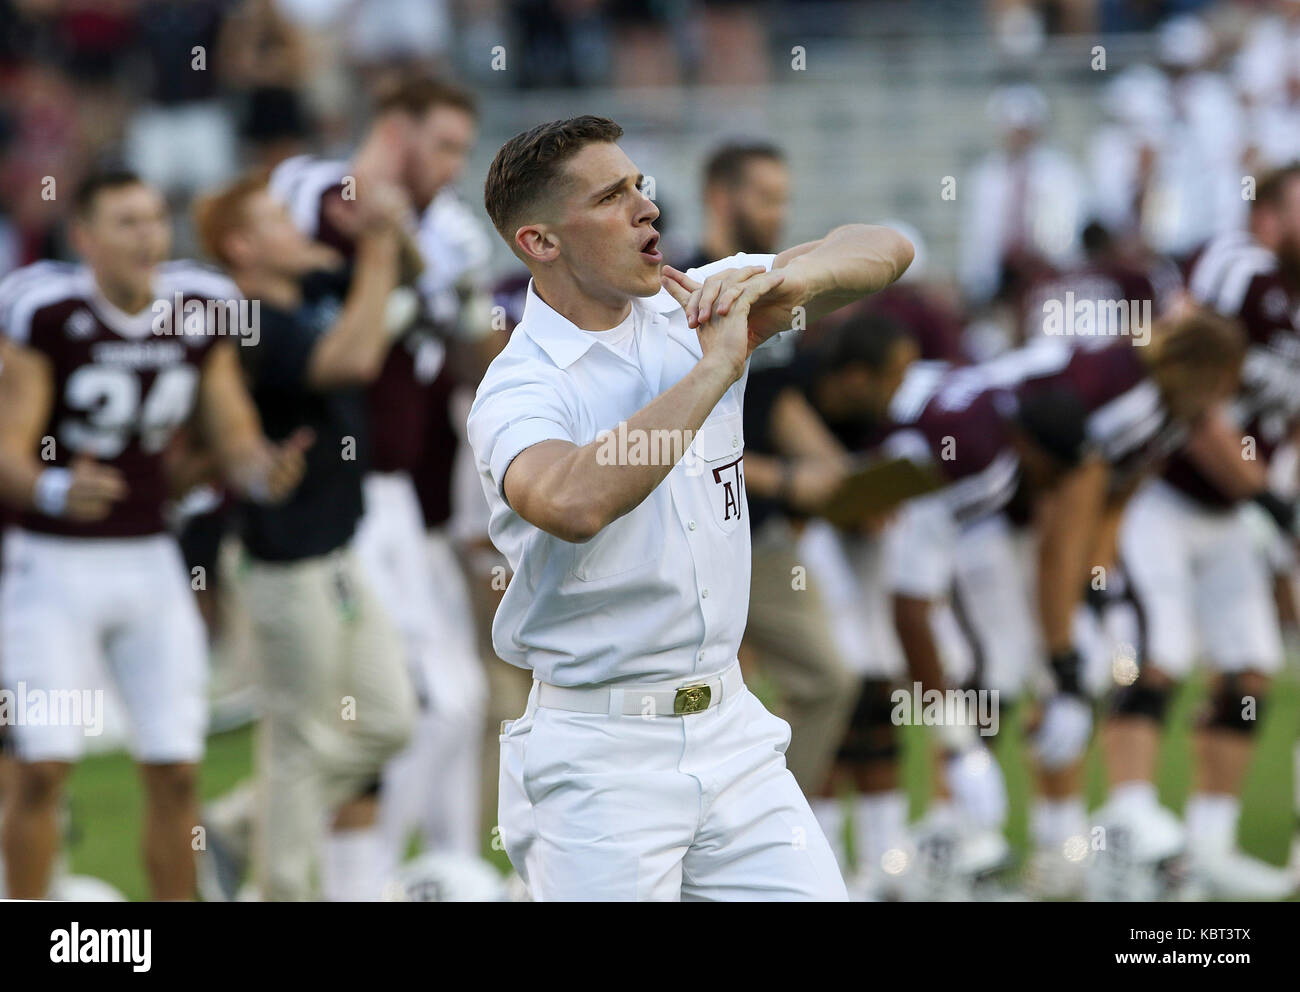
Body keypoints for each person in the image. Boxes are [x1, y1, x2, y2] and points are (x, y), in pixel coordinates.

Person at [467, 115, 914, 900]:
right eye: (612, 197)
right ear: (540, 242)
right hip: (599, 759)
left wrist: (791, 283)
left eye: (640, 185)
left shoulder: (693, 303)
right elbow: (571, 500)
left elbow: (886, 246)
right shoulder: (521, 388)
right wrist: (716, 368)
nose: (648, 208)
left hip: (733, 731)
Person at [0, 170, 307, 900]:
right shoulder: (46, 309)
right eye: (125, 222)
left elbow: (229, 430)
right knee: (43, 764)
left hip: (149, 557)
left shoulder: (201, 308)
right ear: (84, 237)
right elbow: (8, 448)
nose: (146, 237)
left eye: (152, 220)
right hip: (50, 560)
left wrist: (261, 470)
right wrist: (50, 485)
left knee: (176, 770)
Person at [267, 75, 493, 882]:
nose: (454, 166)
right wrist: (395, 255)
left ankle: (451, 872)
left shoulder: (457, 231)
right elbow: (311, 303)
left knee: (457, 703)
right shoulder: (310, 189)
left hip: (403, 494)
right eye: (442, 145)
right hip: (329, 483)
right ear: (394, 132)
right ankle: (362, 880)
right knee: (388, 705)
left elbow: (464, 346)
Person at [193, 172, 418, 901]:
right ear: (242, 247)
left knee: (388, 721)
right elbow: (351, 360)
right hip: (282, 560)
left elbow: (412, 276)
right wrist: (379, 245)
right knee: (298, 743)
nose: (297, 231)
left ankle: (233, 824)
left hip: (337, 548)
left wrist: (390, 229)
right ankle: (281, 890)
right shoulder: (252, 322)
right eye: (275, 223)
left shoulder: (317, 291)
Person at [1095, 164, 1300, 899]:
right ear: (1269, 217)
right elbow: (1187, 384)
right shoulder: (1238, 268)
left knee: (1248, 670)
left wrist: (1276, 494)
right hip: (1165, 494)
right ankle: (1126, 845)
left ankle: (1204, 851)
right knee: (1155, 661)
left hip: (1233, 514)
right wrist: (1265, 497)